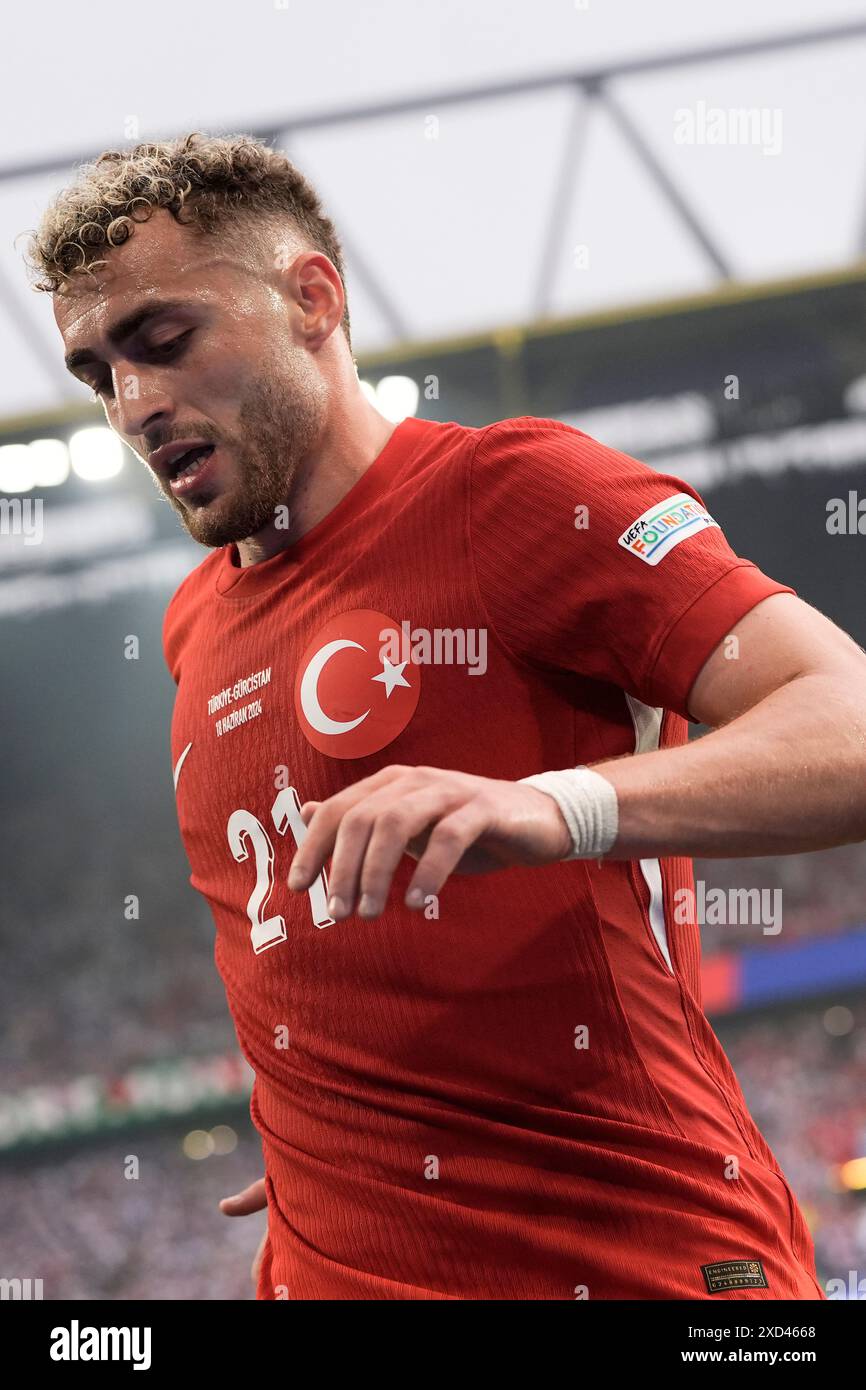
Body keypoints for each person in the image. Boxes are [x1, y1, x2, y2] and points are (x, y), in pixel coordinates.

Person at [32, 132, 866, 1300]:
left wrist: (550, 806)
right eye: (96, 372)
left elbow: (846, 723)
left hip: (633, 1265)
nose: (132, 404)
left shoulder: (515, 495)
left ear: (311, 300)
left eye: (164, 342)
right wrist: (334, 1127)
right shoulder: (192, 626)